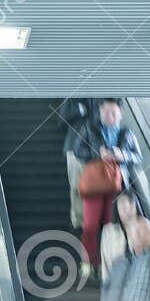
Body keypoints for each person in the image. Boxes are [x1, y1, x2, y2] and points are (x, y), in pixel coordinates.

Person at [76, 99, 142, 282]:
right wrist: (98, 154)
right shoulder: (90, 128)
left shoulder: (126, 133)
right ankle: (88, 263)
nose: (110, 116)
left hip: (118, 188)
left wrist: (123, 155)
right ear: (100, 112)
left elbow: (138, 157)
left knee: (112, 226)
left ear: (121, 113)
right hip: (95, 185)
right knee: (90, 225)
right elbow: (78, 150)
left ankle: (113, 264)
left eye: (113, 113)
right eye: (106, 112)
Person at [98, 192, 150, 281]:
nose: (127, 209)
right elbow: (105, 264)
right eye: (123, 207)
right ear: (117, 209)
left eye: (131, 204)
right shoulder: (108, 232)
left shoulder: (146, 226)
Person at [60, 98, 97, 231]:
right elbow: (61, 121)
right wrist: (80, 110)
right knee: (76, 186)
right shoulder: (72, 97)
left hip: (94, 149)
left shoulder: (99, 98)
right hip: (74, 147)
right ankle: (78, 222)